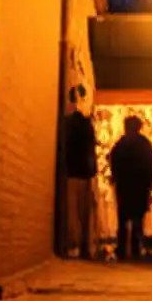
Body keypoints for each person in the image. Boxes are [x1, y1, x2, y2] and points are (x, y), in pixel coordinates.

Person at [109, 115, 152, 260]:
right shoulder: (145, 144)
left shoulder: (121, 144)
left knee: (123, 218)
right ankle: (136, 249)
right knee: (138, 218)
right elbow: (150, 164)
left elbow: (113, 161)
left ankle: (122, 249)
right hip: (140, 186)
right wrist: (149, 183)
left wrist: (116, 177)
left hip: (124, 185)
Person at [63, 85, 97, 259]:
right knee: (84, 212)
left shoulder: (67, 124)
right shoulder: (86, 124)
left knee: (72, 211)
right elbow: (91, 149)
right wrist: (93, 170)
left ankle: (73, 245)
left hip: (70, 171)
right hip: (84, 171)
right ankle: (84, 245)